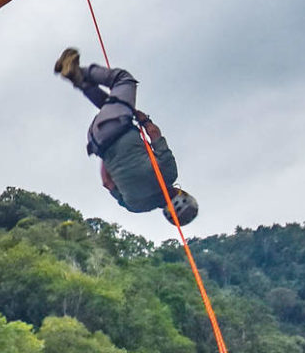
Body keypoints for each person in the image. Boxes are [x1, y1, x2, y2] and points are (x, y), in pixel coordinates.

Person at [54, 48, 198, 226]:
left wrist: (144, 119)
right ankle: (77, 80)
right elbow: (107, 182)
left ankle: (79, 73)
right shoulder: (136, 206)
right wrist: (106, 151)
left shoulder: (169, 173)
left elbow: (153, 134)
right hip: (96, 139)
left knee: (123, 80)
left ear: (182, 193)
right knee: (111, 104)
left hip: (119, 125)